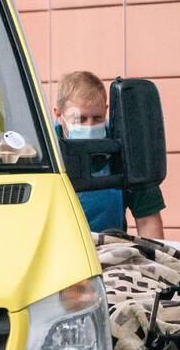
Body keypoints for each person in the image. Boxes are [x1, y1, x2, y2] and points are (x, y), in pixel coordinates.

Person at [53, 71, 165, 238]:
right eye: (80, 119)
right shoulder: (44, 155)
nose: (89, 126)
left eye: (97, 118)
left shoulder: (128, 153)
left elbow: (148, 220)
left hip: (111, 255)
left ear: (106, 111)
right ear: (58, 115)